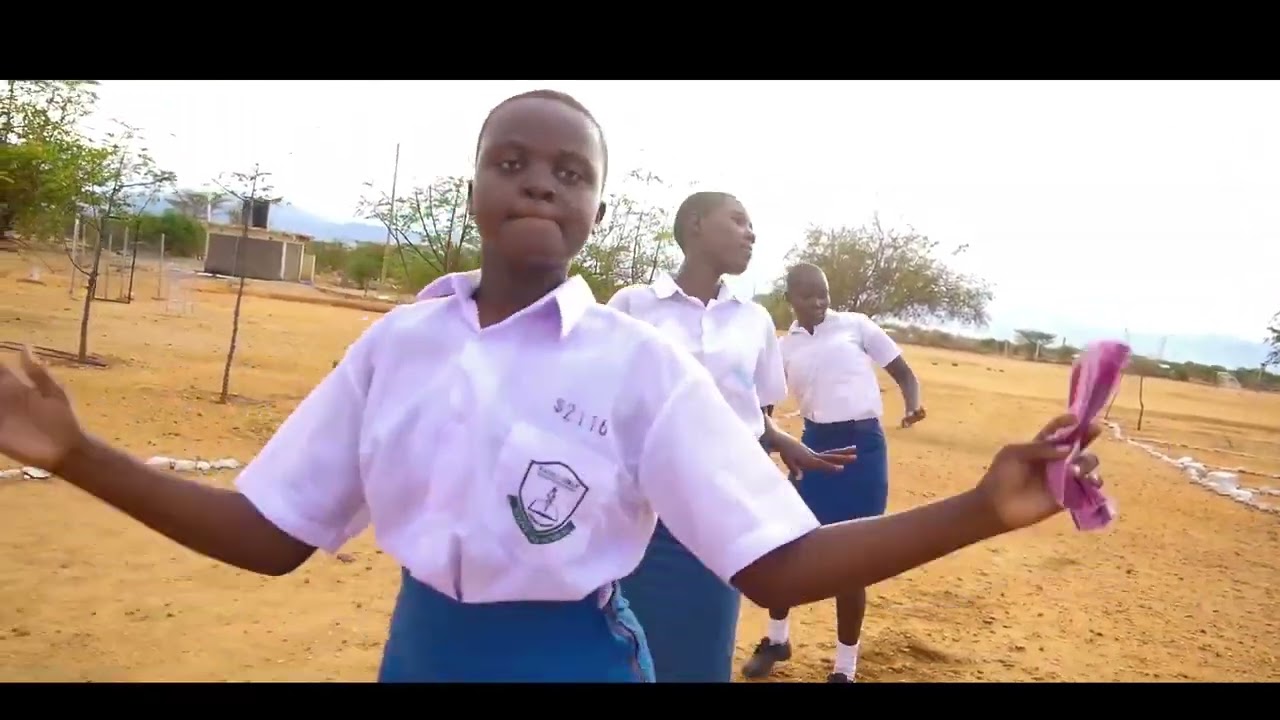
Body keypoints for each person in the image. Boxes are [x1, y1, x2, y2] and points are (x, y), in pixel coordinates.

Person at [0, 89, 1106, 683]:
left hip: (568, 660)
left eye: (570, 172)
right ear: (474, 186)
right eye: (512, 160)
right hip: (418, 656)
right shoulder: (396, 343)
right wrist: (76, 453)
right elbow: (270, 532)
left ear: (595, 213)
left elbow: (777, 559)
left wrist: (980, 508)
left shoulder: (637, 365)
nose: (539, 180)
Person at [607, 191, 855, 682]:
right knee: (624, 652)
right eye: (738, 220)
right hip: (638, 515)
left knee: (701, 655)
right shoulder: (632, 306)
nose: (751, 233)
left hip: (716, 515)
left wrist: (783, 441)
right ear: (695, 226)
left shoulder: (754, 320)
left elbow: (754, 413)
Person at [741, 261, 926, 683]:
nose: (819, 302)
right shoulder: (784, 347)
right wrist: (770, 438)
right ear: (790, 299)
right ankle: (776, 639)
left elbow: (902, 372)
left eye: (824, 293)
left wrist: (913, 402)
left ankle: (845, 668)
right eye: (809, 295)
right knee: (787, 544)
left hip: (864, 448)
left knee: (854, 560)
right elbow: (763, 406)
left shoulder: (857, 326)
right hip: (812, 447)